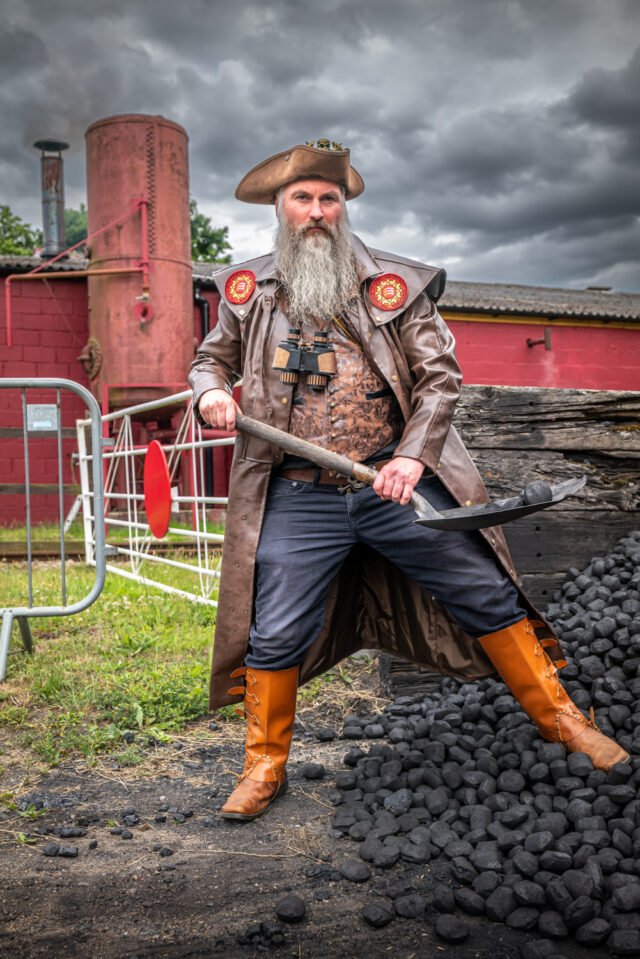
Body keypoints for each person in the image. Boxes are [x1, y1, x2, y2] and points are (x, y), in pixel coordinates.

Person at [189, 141, 628, 821]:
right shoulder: (248, 292)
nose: (315, 212)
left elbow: (439, 379)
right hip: (298, 493)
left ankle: (564, 720)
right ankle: (265, 764)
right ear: (281, 208)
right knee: (272, 631)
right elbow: (208, 362)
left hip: (392, 484)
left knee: (484, 589)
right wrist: (210, 392)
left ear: (344, 208)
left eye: (328, 199)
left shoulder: (395, 285)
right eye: (302, 198)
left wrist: (412, 459)